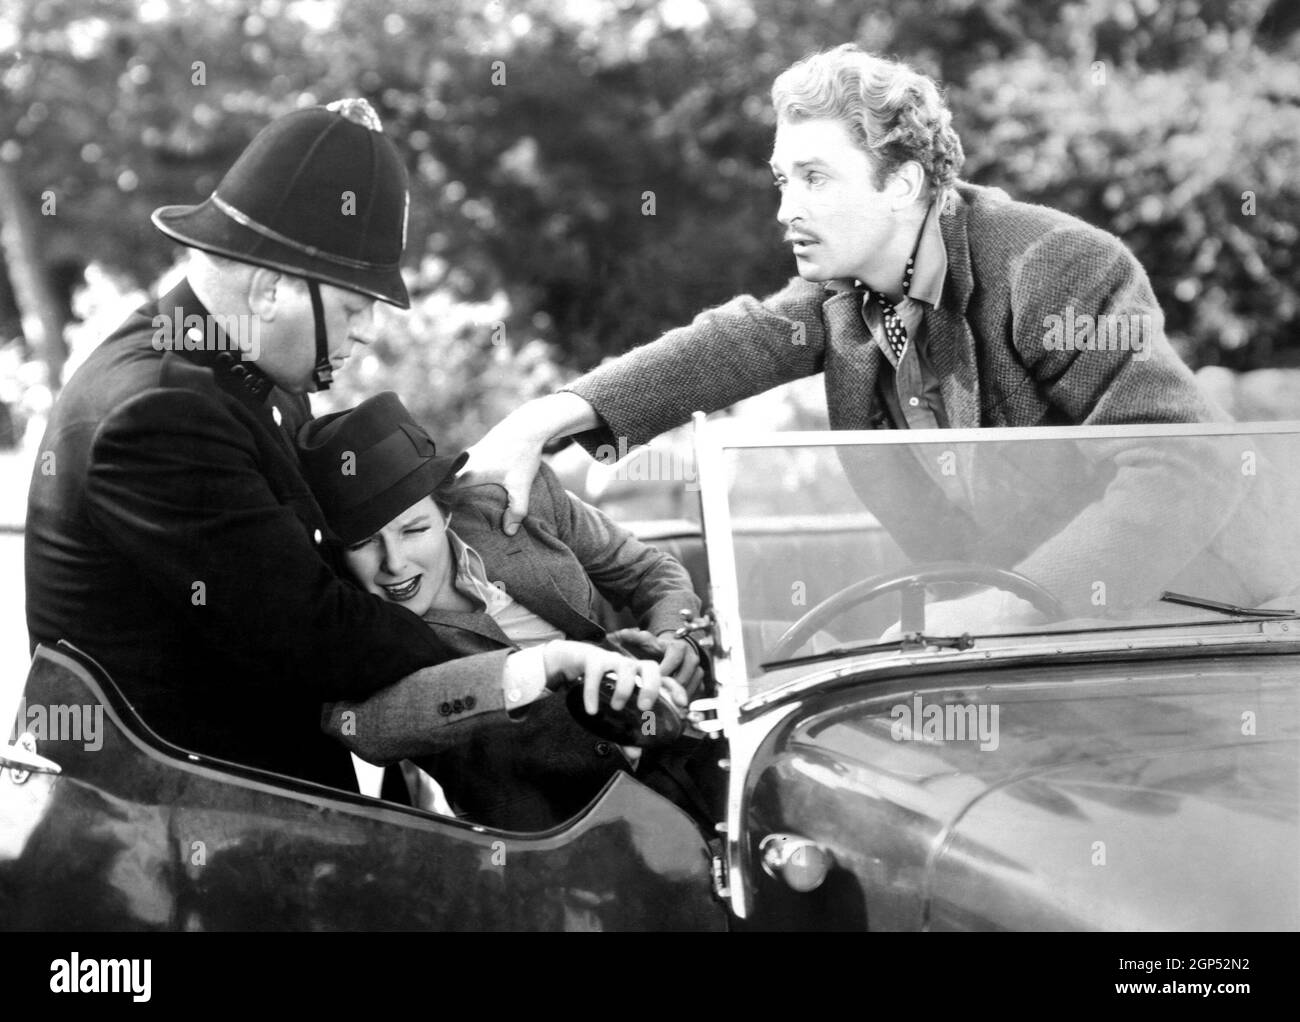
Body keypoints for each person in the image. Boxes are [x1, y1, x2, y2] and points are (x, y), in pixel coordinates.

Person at [462, 45, 1248, 629]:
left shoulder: (1056, 266)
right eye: (781, 180)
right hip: (1021, 659)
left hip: (1209, 624)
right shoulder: (847, 296)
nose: (784, 209)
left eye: (814, 177)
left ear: (903, 183)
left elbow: (1184, 467)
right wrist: (543, 419)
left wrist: (1004, 612)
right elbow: (728, 343)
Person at [25, 99, 670, 793]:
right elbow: (314, 634)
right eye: (354, 306)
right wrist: (530, 658)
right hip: (174, 833)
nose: (364, 333)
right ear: (273, 289)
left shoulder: (246, 373)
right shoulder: (157, 412)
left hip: (248, 808)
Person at [299, 392, 700, 829]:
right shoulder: (342, 621)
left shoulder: (517, 499)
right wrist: (547, 665)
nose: (394, 563)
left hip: (676, 758)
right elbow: (365, 726)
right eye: (363, 542)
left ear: (446, 509)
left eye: (414, 530)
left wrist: (676, 636)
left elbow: (648, 570)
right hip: (550, 840)